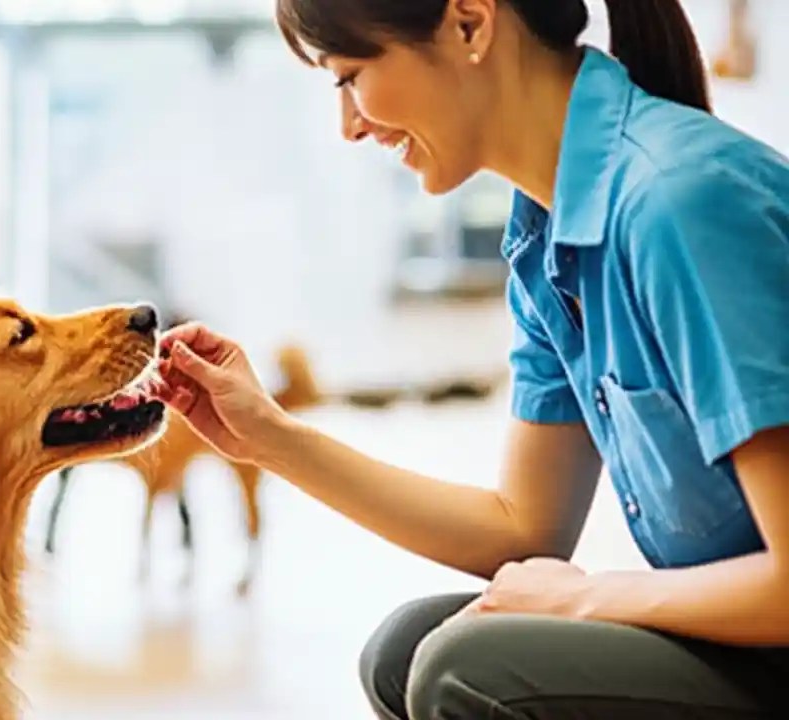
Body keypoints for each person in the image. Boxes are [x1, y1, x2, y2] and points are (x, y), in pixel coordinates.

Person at [147, 0, 789, 717]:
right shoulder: (547, 242)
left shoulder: (680, 202)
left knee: (468, 666)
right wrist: (269, 438)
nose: (350, 125)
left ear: (470, 24)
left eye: (351, 76)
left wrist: (586, 599)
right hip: (755, 658)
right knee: (406, 648)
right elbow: (523, 528)